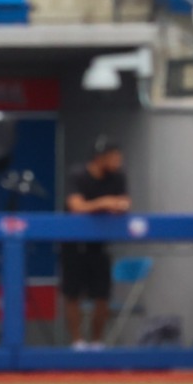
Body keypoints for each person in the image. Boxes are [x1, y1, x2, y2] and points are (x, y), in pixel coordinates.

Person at [61, 136, 131, 350]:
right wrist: (104, 203)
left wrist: (106, 205)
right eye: (113, 157)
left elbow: (125, 204)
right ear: (100, 158)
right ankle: (78, 342)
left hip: (99, 245)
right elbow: (76, 207)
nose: (118, 161)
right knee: (73, 294)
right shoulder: (79, 175)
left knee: (102, 294)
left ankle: (97, 343)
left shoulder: (117, 178)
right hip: (74, 245)